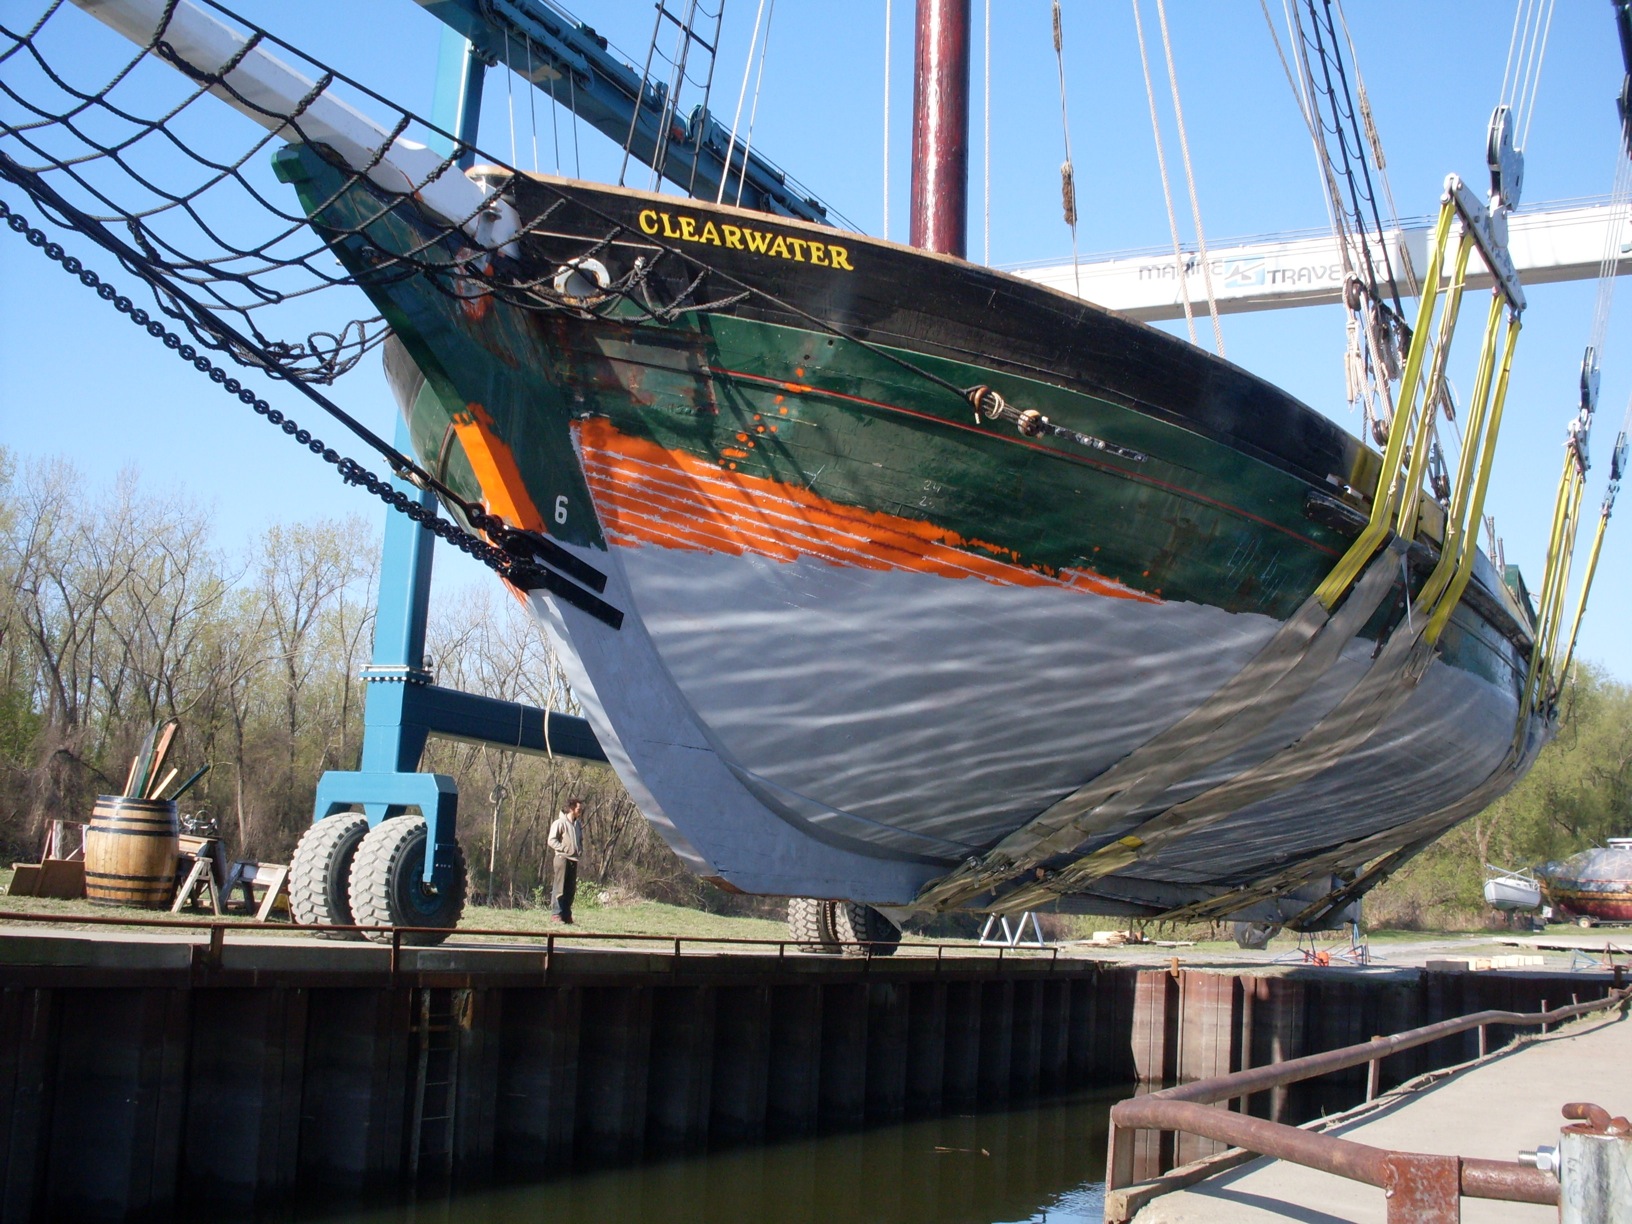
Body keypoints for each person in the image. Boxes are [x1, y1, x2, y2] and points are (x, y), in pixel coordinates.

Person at [547, 797, 585, 923]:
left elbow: (580, 840)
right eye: (578, 809)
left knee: (570, 889)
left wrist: (580, 849)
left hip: (573, 859)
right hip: (561, 858)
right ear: (571, 808)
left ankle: (567, 915)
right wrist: (564, 848)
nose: (580, 811)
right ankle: (556, 914)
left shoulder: (577, 824)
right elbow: (551, 840)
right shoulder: (559, 823)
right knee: (560, 888)